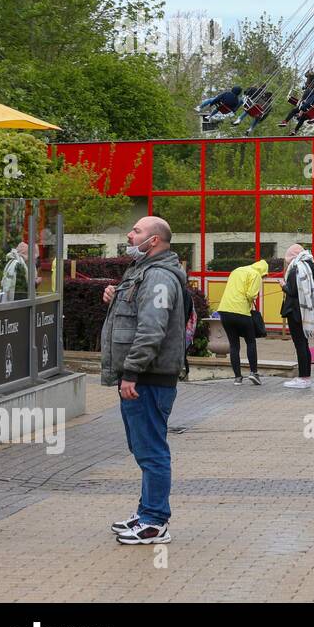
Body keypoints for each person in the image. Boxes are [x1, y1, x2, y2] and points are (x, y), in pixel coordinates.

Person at [100, 216, 187, 545]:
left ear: (154, 241)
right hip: (142, 377)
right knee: (143, 448)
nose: (129, 233)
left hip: (148, 379)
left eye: (136, 231)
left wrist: (132, 372)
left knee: (151, 451)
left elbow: (152, 330)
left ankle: (154, 522)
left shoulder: (159, 277)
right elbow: (140, 314)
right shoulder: (143, 273)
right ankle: (147, 511)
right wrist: (116, 295)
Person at [216, 259, 268, 385]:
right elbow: (251, 295)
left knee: (234, 345)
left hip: (224, 311)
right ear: (263, 272)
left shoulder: (237, 270)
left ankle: (237, 378)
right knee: (250, 341)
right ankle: (254, 373)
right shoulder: (256, 274)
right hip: (241, 311)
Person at [280, 243, 314, 388]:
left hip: (295, 311)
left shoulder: (296, 268)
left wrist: (283, 285)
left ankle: (303, 378)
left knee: (300, 344)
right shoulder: (312, 267)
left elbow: (292, 291)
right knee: (305, 344)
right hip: (307, 310)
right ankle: (306, 376)